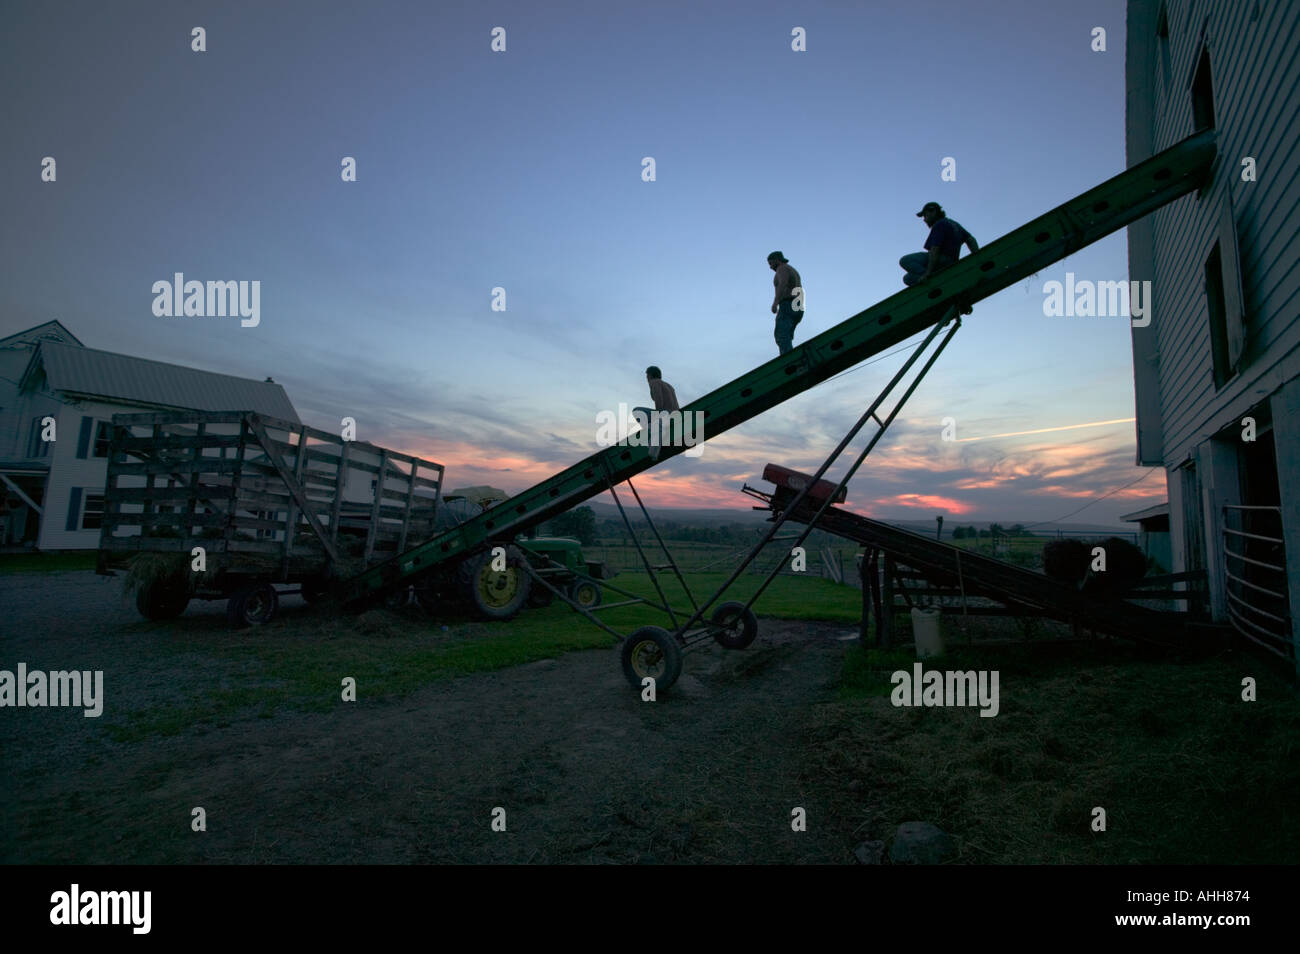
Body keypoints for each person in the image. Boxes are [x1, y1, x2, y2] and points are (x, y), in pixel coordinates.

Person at [900, 202, 978, 286]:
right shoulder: (953, 224)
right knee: (907, 278)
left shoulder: (939, 225)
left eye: (925, 215)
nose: (924, 220)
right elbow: (971, 240)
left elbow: (934, 250)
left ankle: (931, 279)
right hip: (952, 262)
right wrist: (977, 257)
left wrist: (928, 273)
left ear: (933, 212)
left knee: (905, 260)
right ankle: (934, 278)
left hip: (941, 260)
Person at [633, 366, 679, 460]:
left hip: (665, 413)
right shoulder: (669, 385)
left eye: (647, 375)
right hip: (675, 413)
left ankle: (652, 430)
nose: (646, 378)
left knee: (637, 411)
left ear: (650, 375)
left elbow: (659, 399)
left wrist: (658, 417)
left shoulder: (654, 382)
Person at [768, 251, 803, 355]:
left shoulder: (782, 269)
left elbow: (783, 284)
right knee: (787, 335)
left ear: (777, 260)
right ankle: (790, 355)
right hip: (798, 306)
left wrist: (775, 303)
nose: (770, 267)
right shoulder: (792, 269)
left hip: (788, 303)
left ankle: (788, 360)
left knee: (781, 335)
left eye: (771, 263)